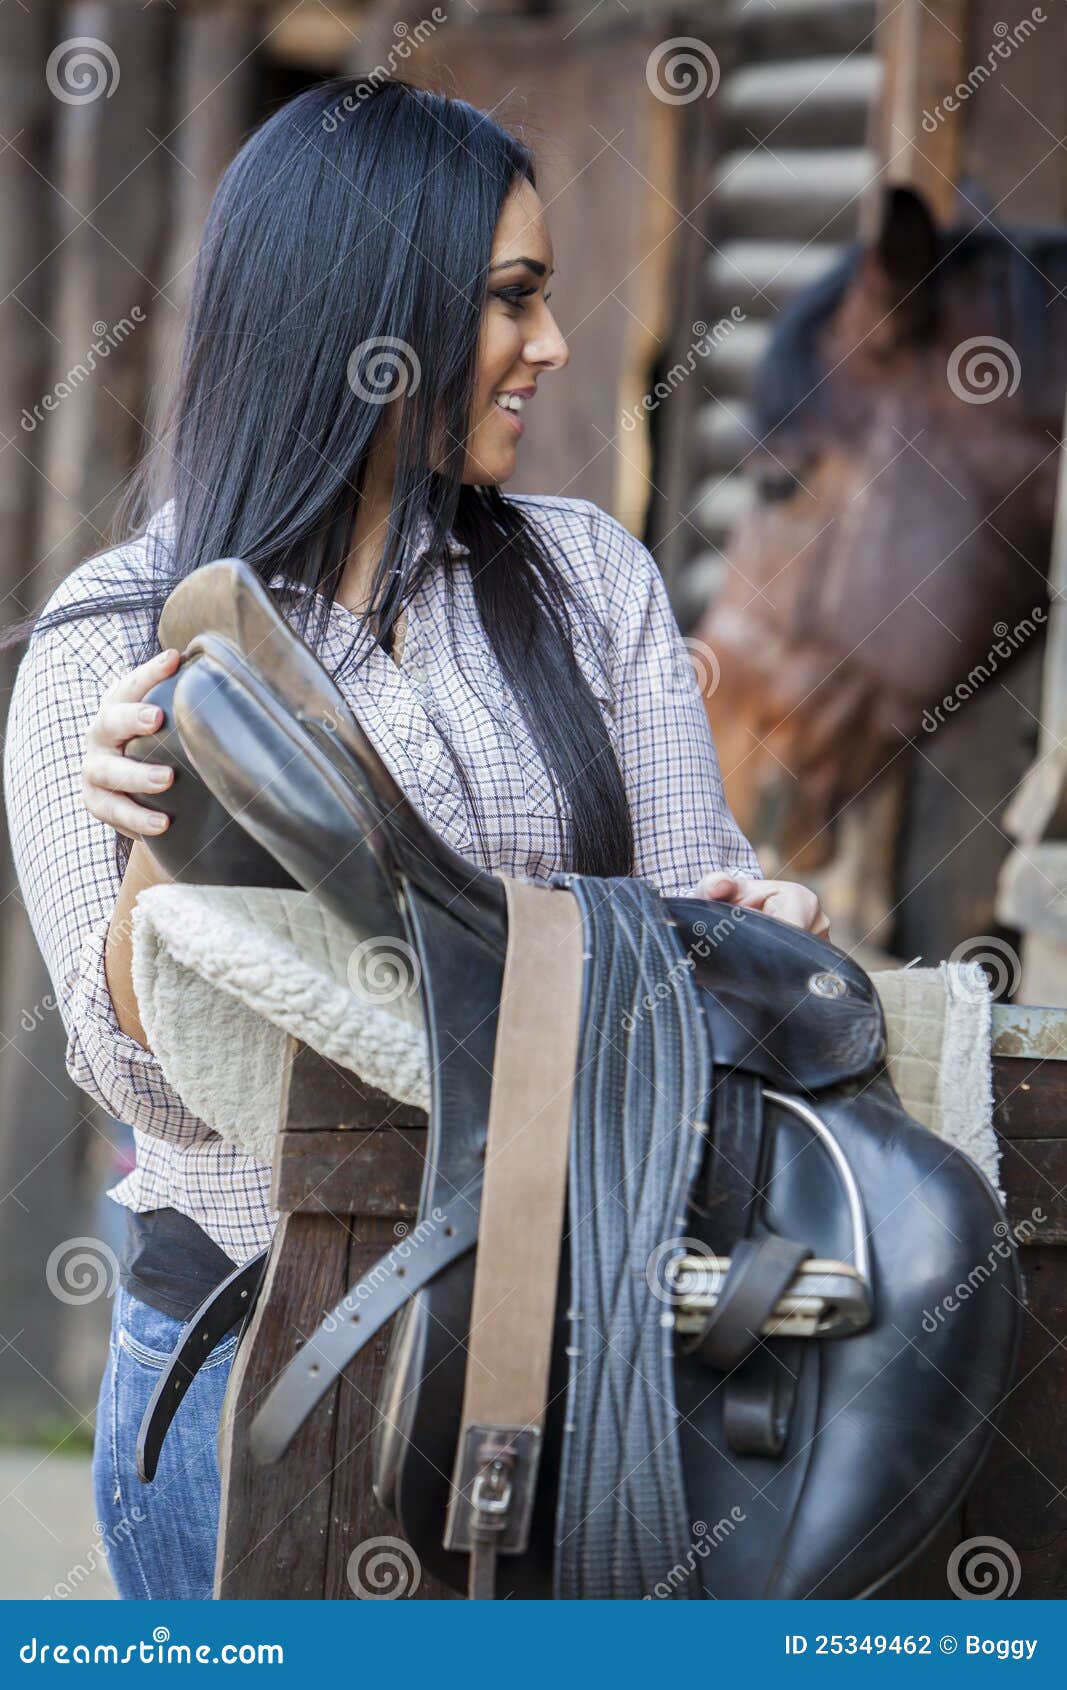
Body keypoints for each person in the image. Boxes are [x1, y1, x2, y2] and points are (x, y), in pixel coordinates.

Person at [2, 75, 829, 1600]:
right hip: (248, 1376)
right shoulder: (113, 646)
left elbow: (690, 909)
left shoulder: (591, 582)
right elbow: (147, 1084)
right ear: (371, 316)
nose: (555, 348)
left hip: (584, 1350)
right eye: (512, 300)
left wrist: (747, 915)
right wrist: (154, 841)